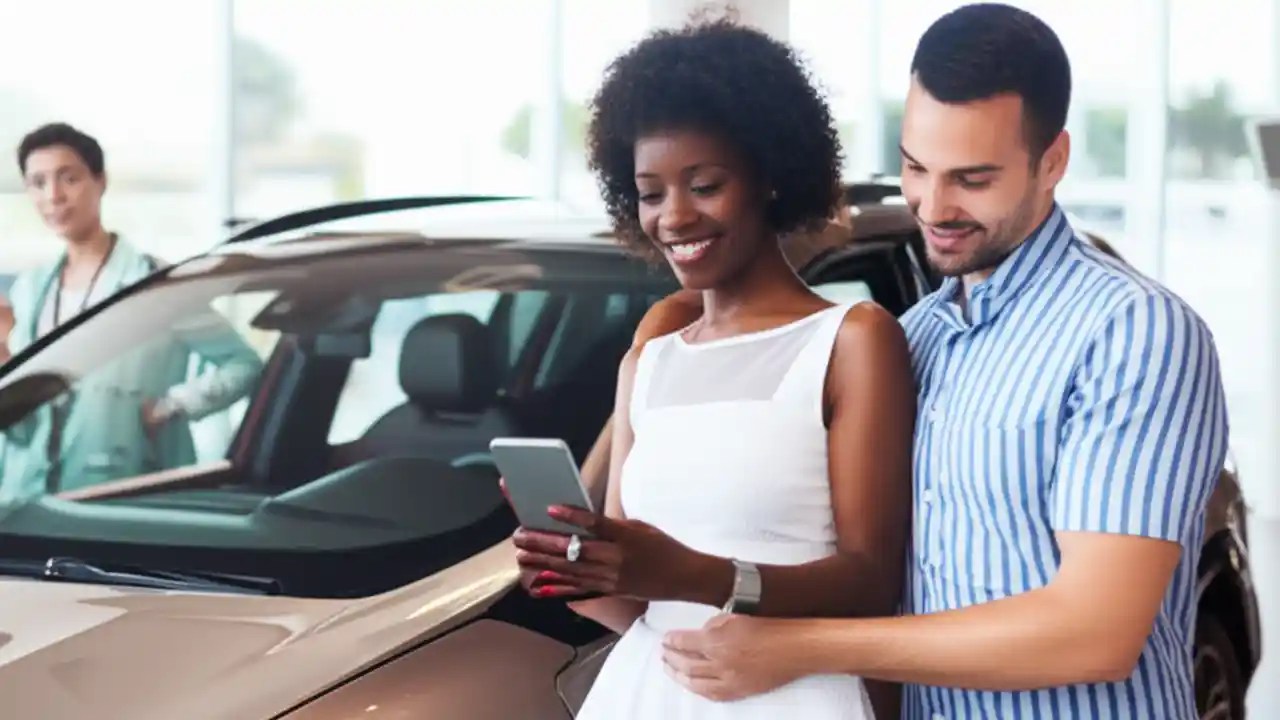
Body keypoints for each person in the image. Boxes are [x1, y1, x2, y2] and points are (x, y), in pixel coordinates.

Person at [658, 5, 1230, 720]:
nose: (933, 204)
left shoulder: (1134, 332)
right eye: (916, 167)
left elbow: (1094, 632)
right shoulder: (916, 336)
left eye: (973, 179)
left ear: (1052, 162)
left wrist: (802, 646)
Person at [507, 19, 916, 720]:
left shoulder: (850, 340)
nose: (675, 217)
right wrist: (574, 569)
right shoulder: (654, 354)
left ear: (771, 178)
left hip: (793, 698)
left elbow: (872, 583)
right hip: (648, 691)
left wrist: (692, 574)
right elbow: (637, 604)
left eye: (704, 184)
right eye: (651, 192)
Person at [0, 122, 262, 499]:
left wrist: (173, 406)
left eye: (68, 178)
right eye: (37, 183)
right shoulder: (29, 288)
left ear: (100, 181)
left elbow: (243, 364)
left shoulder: (156, 284)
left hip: (124, 490)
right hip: (31, 496)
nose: (53, 195)